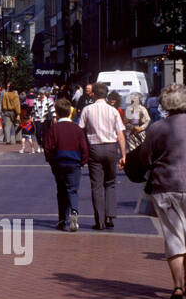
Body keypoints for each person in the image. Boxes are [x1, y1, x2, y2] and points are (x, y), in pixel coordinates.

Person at [123, 84, 186, 299]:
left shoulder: (158, 128)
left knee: (173, 235)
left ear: (164, 103)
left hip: (165, 186)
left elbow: (145, 159)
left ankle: (177, 286)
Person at [77, 82, 126, 229]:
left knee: (96, 185)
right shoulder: (113, 111)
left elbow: (80, 131)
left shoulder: (87, 109)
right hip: (111, 148)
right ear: (106, 94)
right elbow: (120, 135)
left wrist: (81, 151)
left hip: (94, 148)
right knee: (110, 183)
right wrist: (123, 155)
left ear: (94, 94)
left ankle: (99, 221)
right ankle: (110, 216)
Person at [43, 98, 88, 230]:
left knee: (61, 191)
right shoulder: (77, 129)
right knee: (73, 190)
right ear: (70, 112)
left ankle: (62, 219)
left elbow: (48, 147)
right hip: (74, 162)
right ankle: (74, 211)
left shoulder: (54, 129)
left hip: (59, 162)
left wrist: (51, 162)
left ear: (56, 113)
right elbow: (84, 148)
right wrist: (83, 162)